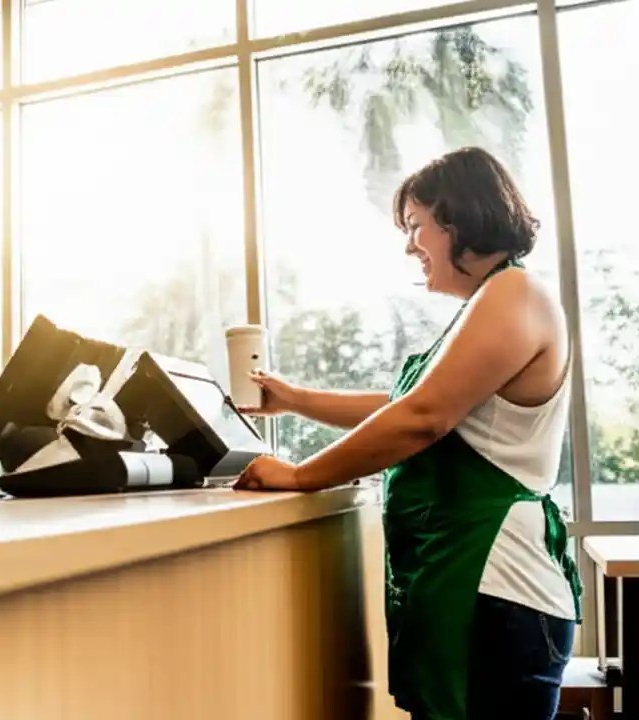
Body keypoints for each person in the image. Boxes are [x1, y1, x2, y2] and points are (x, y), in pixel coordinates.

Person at [234, 146, 581, 720]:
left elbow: (422, 418)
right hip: (469, 584)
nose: (410, 245)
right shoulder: (492, 301)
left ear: (458, 217)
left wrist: (299, 476)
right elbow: (409, 405)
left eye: (417, 226)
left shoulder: (513, 294)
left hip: (495, 585)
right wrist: (295, 400)